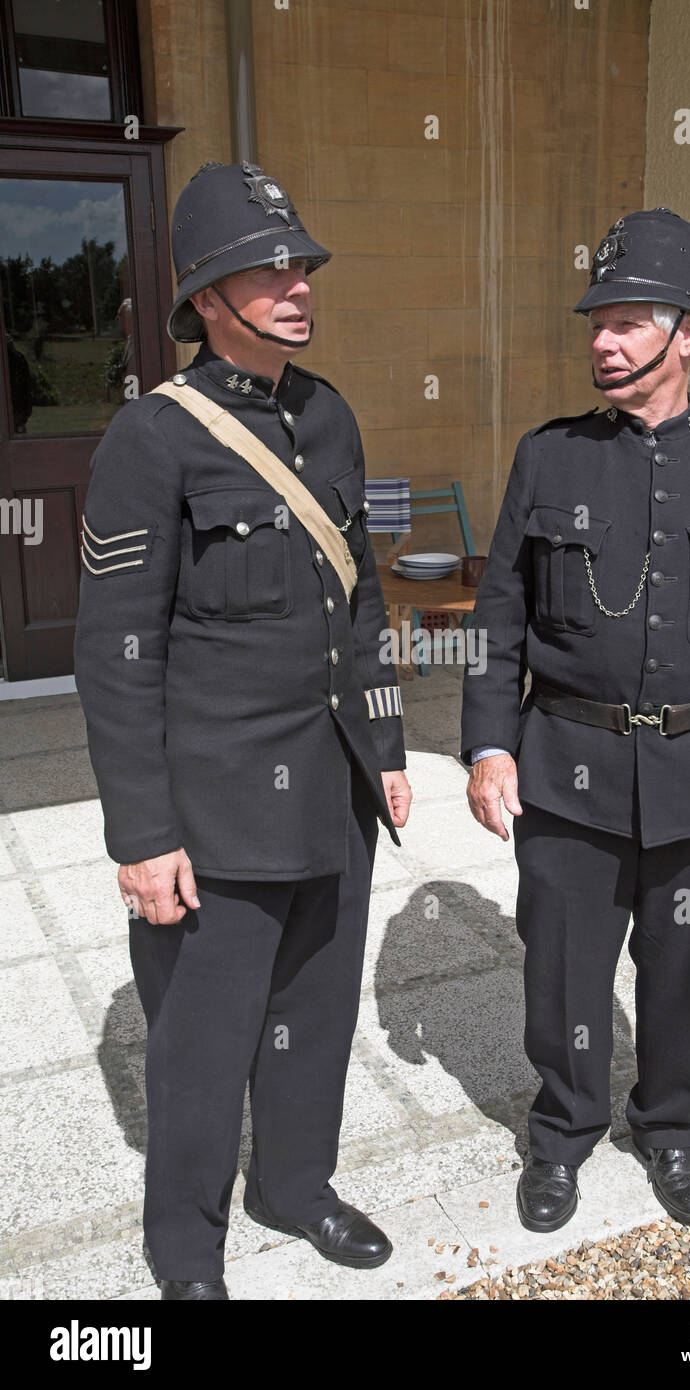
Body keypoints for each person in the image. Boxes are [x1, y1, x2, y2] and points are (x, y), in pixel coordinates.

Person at [74, 160, 412, 1299]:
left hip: (331, 787)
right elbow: (116, 655)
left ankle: (295, 1184)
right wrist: (140, 833)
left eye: (301, 263)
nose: (296, 283)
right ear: (208, 298)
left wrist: (388, 742)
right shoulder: (149, 439)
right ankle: (184, 1238)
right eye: (266, 269)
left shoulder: (330, 415)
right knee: (202, 1042)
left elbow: (357, 593)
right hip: (214, 806)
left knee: (315, 1010)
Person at [460, 208, 690, 1233]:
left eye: (623, 322)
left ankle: (667, 1129)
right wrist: (488, 744)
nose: (600, 343)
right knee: (563, 968)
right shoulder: (547, 458)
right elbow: (497, 618)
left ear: (687, 333)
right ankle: (561, 1132)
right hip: (565, 768)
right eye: (593, 323)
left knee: (684, 970)